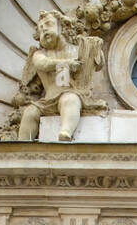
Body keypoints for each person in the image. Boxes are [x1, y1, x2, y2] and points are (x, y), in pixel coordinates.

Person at [17, 10, 104, 142]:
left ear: (62, 27)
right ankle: (21, 144)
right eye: (41, 29)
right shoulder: (40, 54)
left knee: (70, 101)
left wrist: (94, 49)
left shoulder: (76, 49)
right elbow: (43, 64)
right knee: (30, 112)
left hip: (68, 92)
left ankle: (66, 131)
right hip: (47, 100)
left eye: (48, 24)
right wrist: (65, 63)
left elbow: (99, 64)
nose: (44, 30)